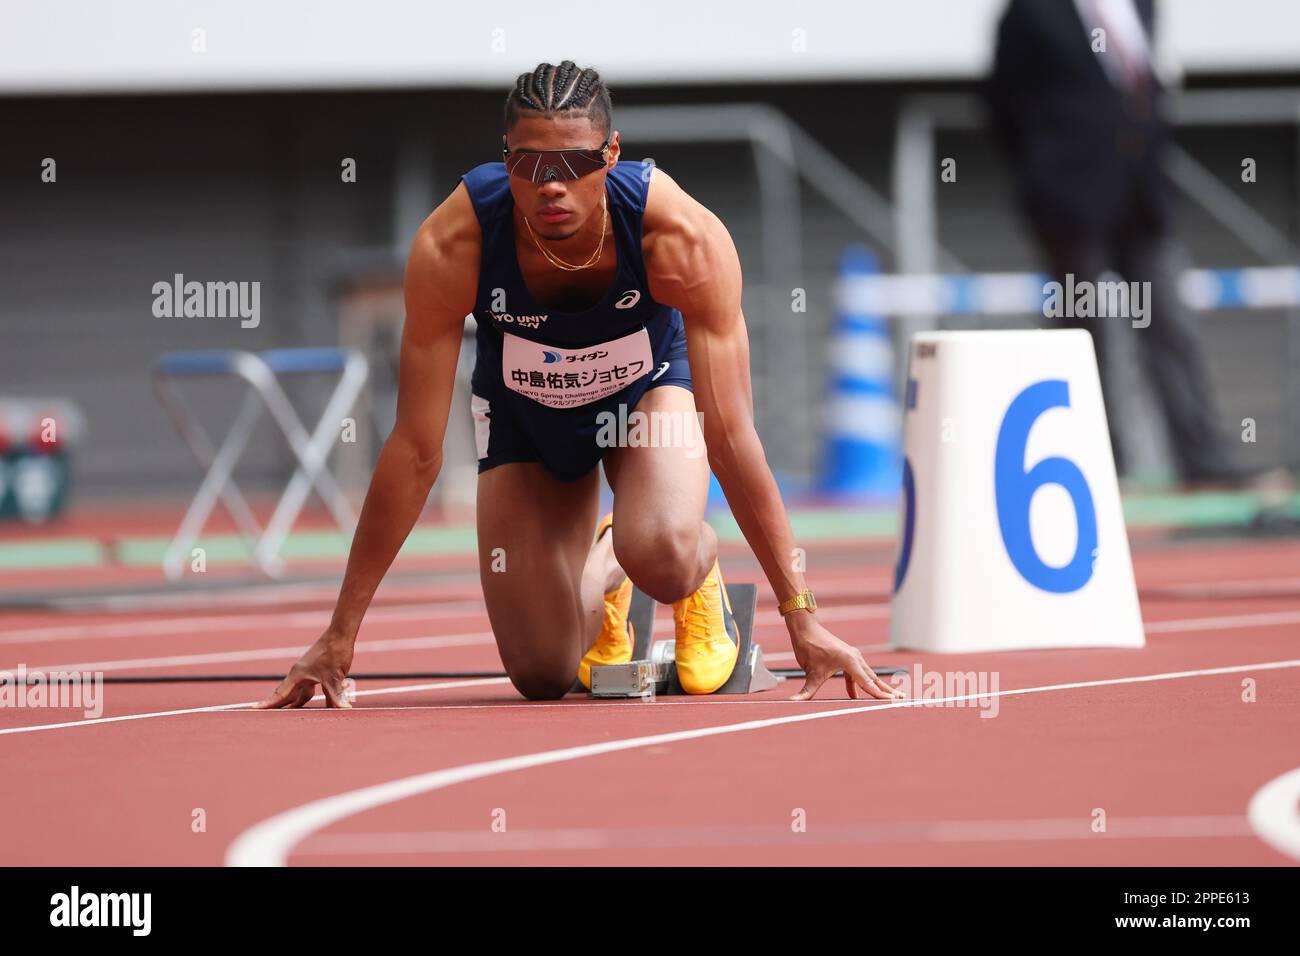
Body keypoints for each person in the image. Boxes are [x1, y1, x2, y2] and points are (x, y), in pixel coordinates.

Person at [257, 61, 901, 708]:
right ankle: (611, 560)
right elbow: (416, 450)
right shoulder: (453, 245)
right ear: (506, 160)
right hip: (525, 417)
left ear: (612, 155)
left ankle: (682, 568)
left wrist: (802, 616)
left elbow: (731, 438)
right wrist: (340, 634)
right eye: (531, 167)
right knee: (543, 673)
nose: (551, 189)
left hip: (645, 396)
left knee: (663, 554)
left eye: (573, 166)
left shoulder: (680, 239)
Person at [987, 0, 1288, 489]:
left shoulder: (1142, 6)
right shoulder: (1033, 13)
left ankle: (1204, 460)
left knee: (1172, 326)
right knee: (1084, 335)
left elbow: (1142, 88)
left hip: (1142, 200)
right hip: (1070, 202)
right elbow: (1002, 104)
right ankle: (1098, 467)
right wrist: (1044, 179)